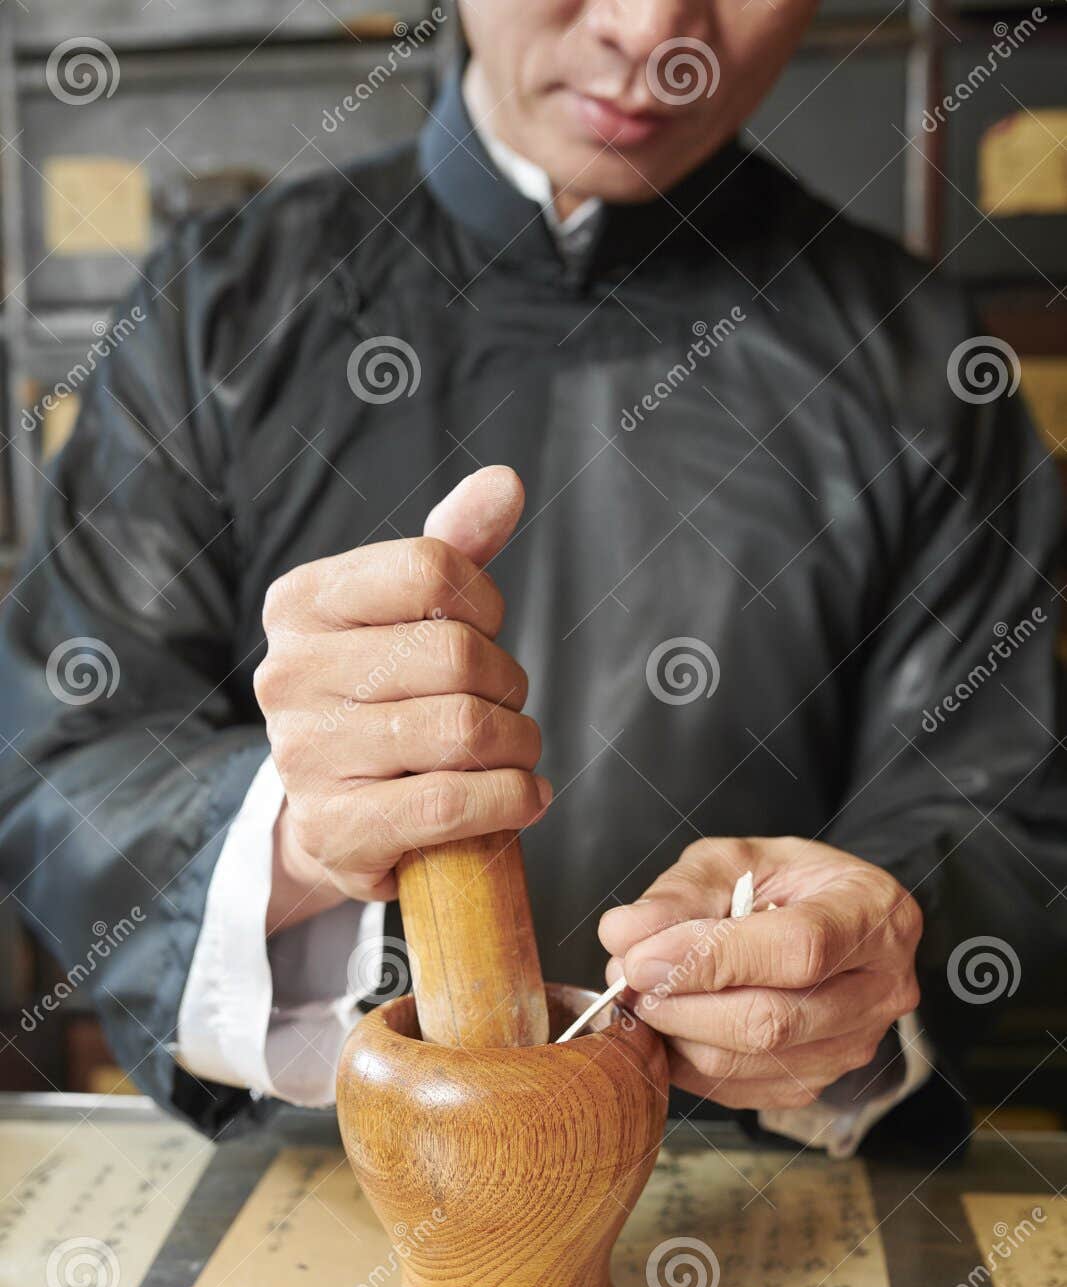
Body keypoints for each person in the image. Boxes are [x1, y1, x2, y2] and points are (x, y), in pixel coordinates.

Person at [1, 1, 1063, 1157]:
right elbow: (63, 765)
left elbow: (994, 809)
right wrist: (294, 842)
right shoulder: (218, 314)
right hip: (333, 1192)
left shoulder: (917, 362)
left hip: (745, 1194)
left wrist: (859, 959)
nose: (650, 26)